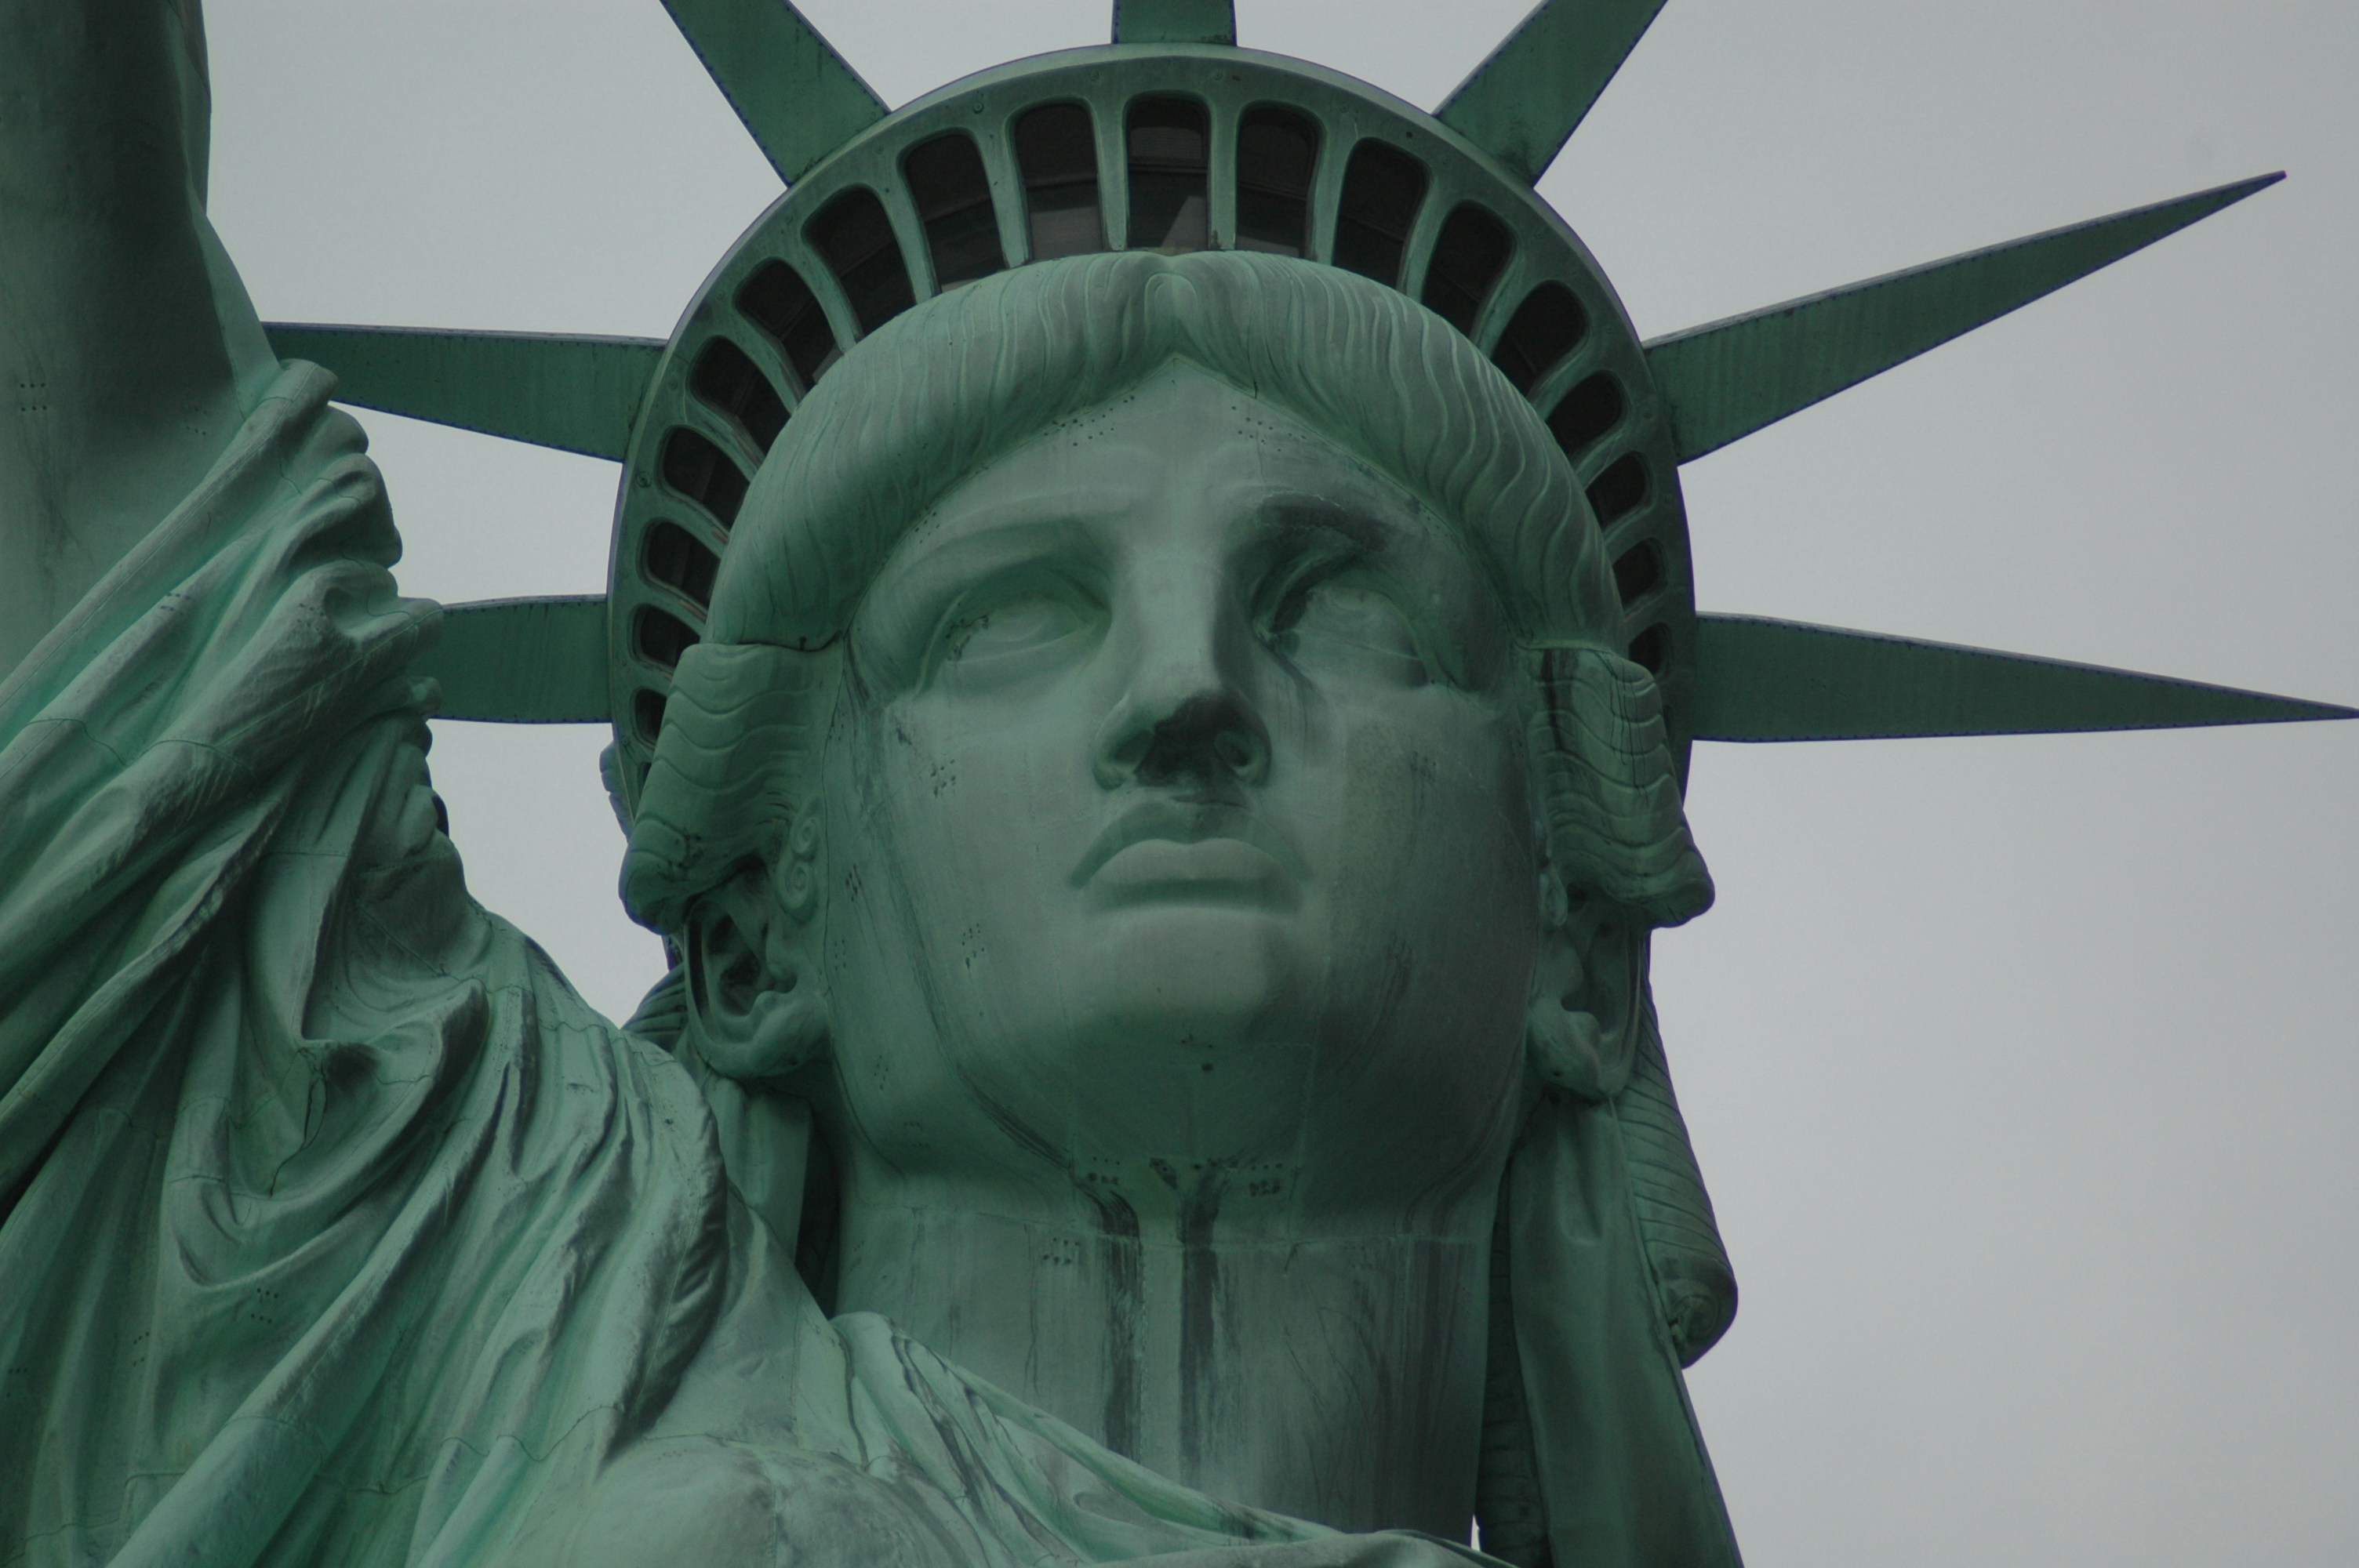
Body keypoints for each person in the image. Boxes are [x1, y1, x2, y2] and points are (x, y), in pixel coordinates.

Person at [0, 4, 1736, 1563]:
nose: (1189, 684)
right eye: (1004, 621)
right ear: (755, 934)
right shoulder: (457, 1302)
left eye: (1343, 606)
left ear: (1577, 938)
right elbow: (72, 381)